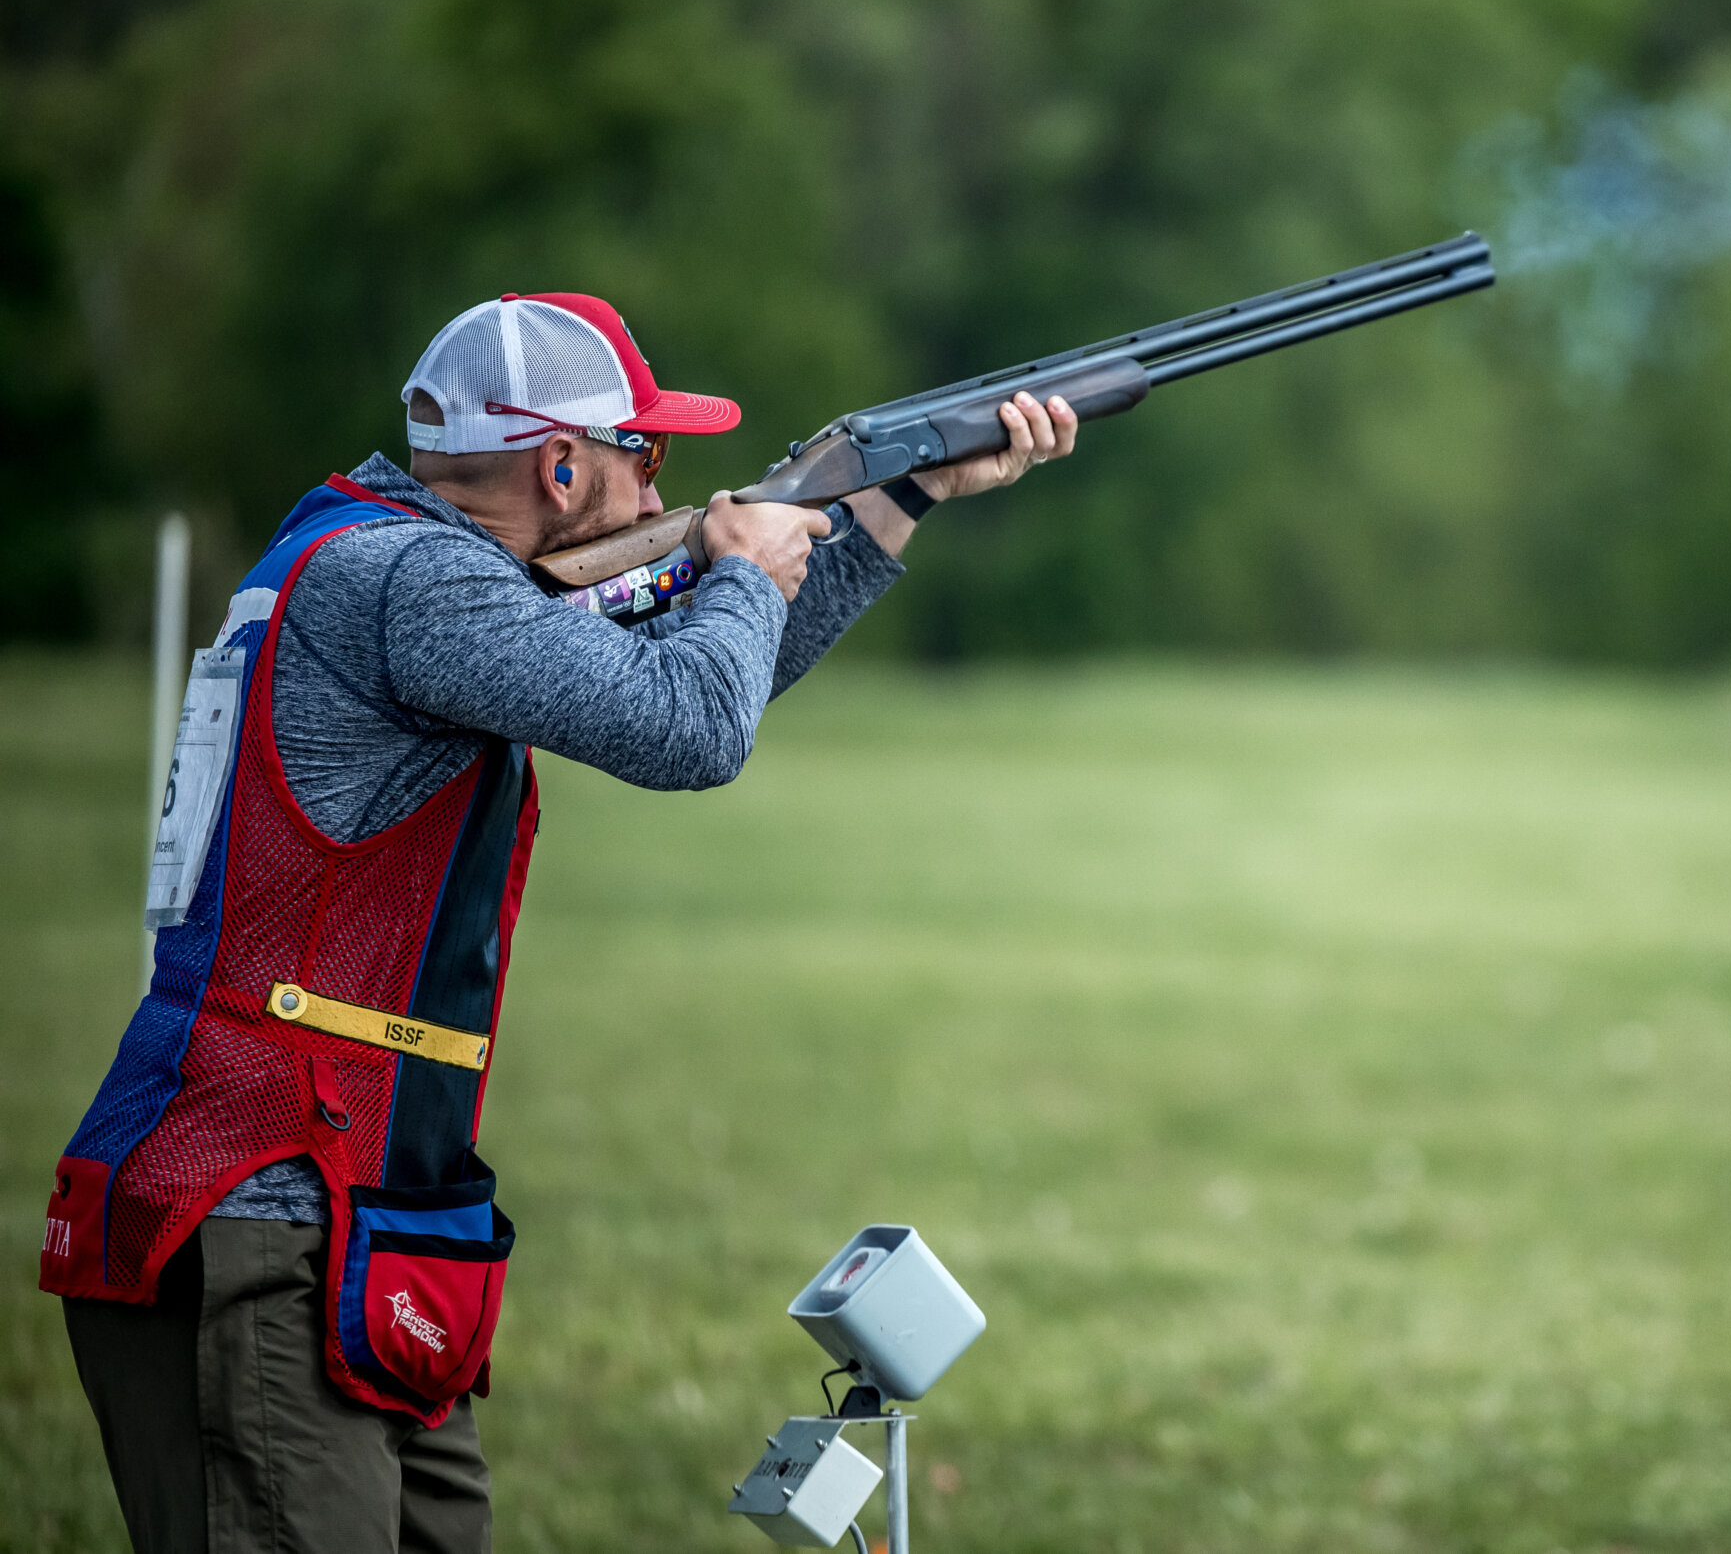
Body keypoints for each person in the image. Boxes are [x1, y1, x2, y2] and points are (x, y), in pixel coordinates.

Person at [38, 291, 1078, 1553]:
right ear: (563, 464)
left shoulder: (391, 555)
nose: (661, 490)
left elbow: (707, 679)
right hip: (262, 1206)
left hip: (356, 1214)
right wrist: (741, 568)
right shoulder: (415, 583)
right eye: (649, 454)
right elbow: (688, 729)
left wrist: (899, 496)